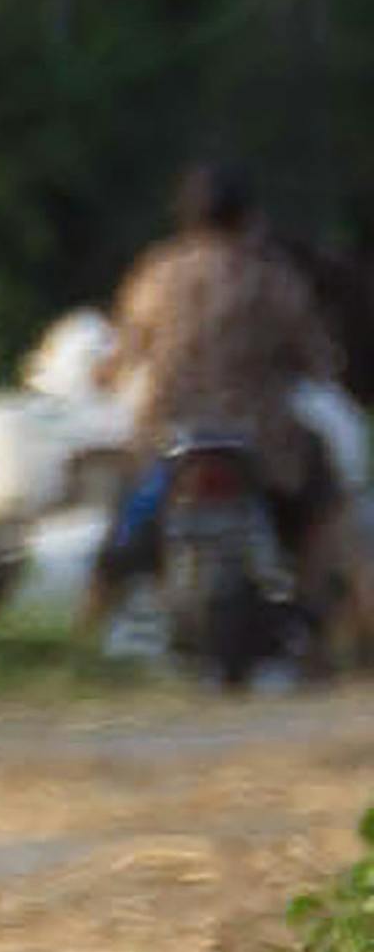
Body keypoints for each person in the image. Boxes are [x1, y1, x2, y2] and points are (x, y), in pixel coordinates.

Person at [101, 162, 353, 618]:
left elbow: (121, 357)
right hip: (262, 440)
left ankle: (91, 618)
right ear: (248, 217)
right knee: (325, 504)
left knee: (121, 511)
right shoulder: (274, 279)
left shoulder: (155, 275)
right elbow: (320, 361)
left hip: (167, 436)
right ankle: (320, 625)